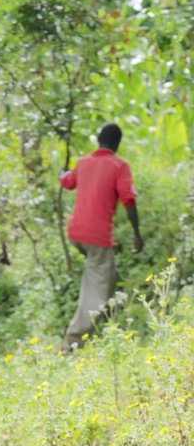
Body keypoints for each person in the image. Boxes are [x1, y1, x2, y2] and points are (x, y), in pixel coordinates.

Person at [59, 122, 143, 351]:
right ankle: (72, 342)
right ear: (117, 143)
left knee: (106, 276)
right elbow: (128, 200)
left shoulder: (84, 162)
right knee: (95, 287)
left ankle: (106, 327)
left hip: (76, 234)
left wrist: (61, 173)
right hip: (96, 237)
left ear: (99, 140)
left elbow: (68, 182)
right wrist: (137, 233)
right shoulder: (119, 165)